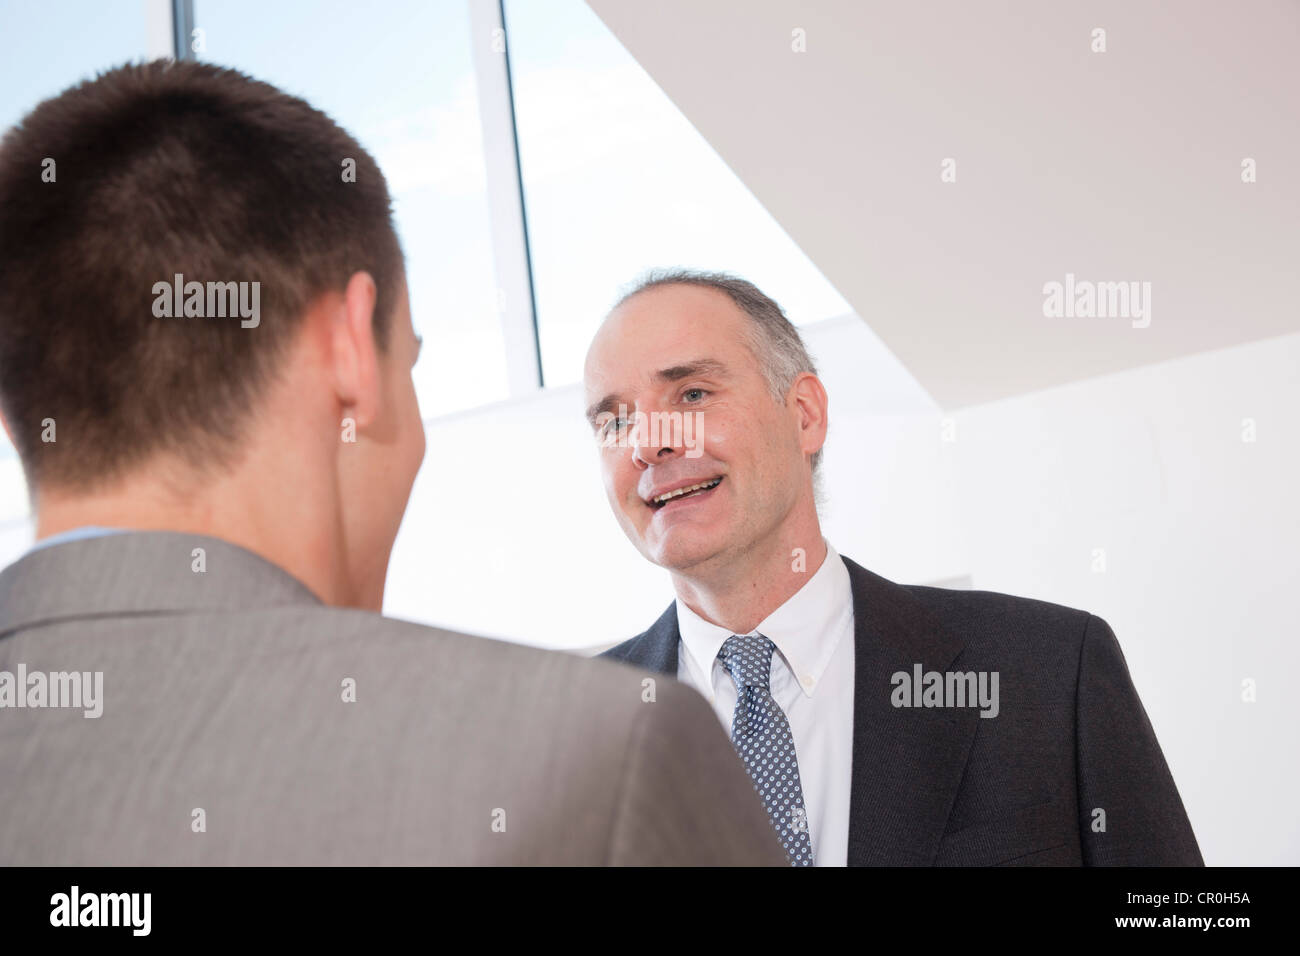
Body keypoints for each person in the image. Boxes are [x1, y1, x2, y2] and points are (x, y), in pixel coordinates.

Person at [0, 61, 785, 866]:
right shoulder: (601, 755)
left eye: (690, 394)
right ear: (349, 348)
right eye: (407, 361)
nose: (648, 442)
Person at [586, 269, 1204, 866]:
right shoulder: (557, 741)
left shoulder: (1045, 671)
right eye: (615, 420)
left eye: (692, 394)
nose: (647, 445)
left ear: (804, 414)